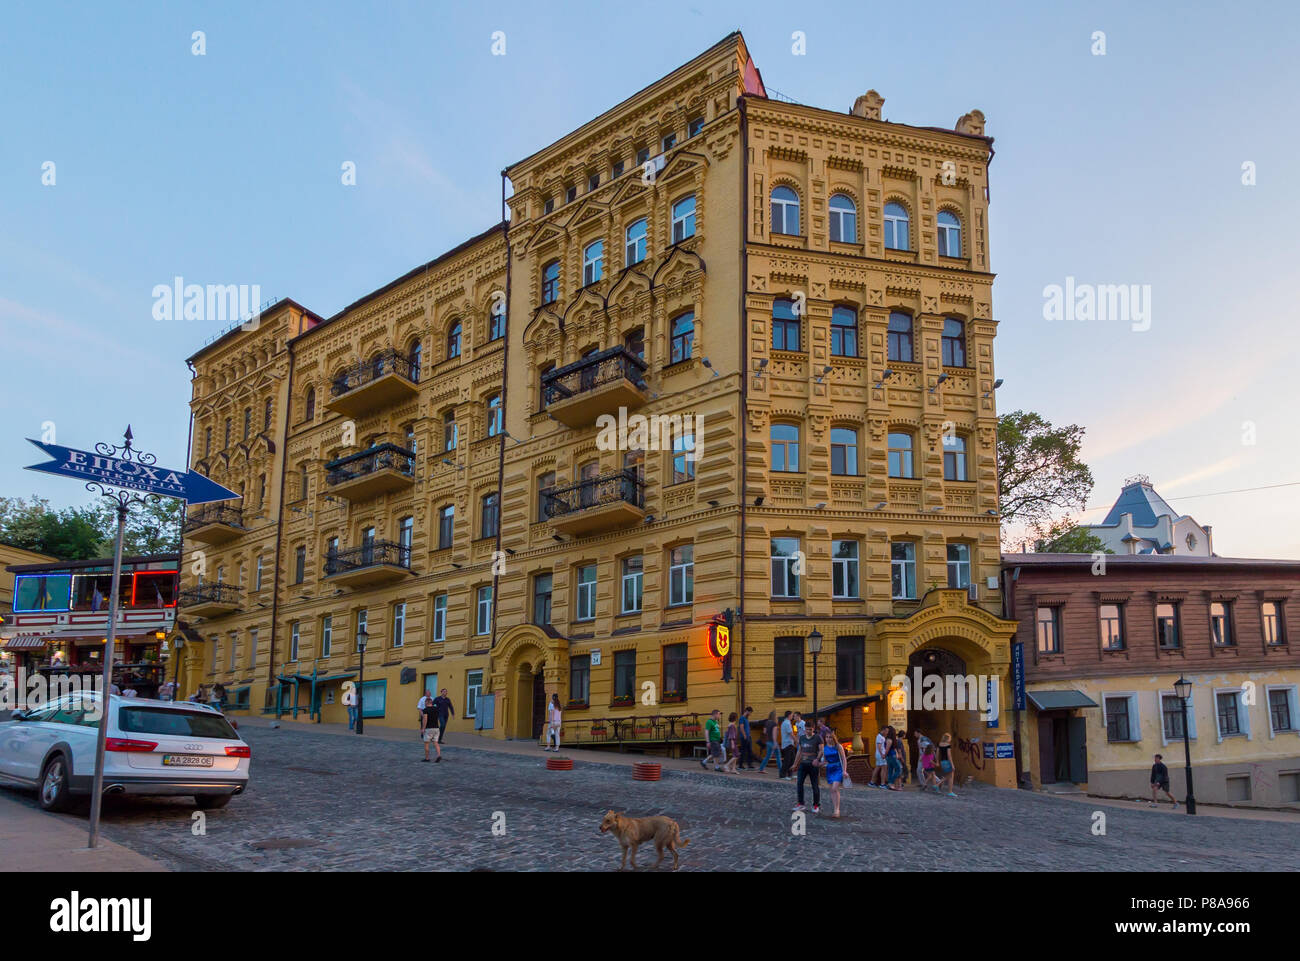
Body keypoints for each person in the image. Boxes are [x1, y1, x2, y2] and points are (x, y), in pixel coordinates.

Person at [792, 717, 824, 813]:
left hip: (813, 765)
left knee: (814, 785)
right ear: (804, 729)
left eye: (810, 729)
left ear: (813, 729)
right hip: (803, 764)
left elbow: (822, 750)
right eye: (807, 729)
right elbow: (799, 751)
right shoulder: (802, 738)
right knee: (799, 784)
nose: (808, 731)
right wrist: (795, 764)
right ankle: (801, 804)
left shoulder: (817, 737)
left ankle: (815, 805)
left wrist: (817, 759)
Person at [822, 724, 849, 817]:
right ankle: (835, 809)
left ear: (833, 738)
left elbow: (844, 759)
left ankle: (837, 809)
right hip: (830, 769)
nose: (828, 739)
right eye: (827, 737)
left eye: (830, 737)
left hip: (838, 768)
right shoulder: (824, 748)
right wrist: (821, 763)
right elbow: (825, 760)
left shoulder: (838, 746)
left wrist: (844, 771)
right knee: (832, 790)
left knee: (834, 788)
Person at [420, 692, 442, 762]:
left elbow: (425, 719)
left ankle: (427, 758)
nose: (425, 703)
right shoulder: (436, 709)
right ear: (431, 702)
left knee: (426, 743)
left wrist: (423, 728)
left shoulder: (425, 710)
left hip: (429, 728)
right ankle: (439, 755)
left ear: (427, 702)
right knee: (436, 743)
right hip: (436, 728)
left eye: (425, 702)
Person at [779, 711, 797, 780]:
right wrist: (796, 741)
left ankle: (790, 774)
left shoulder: (786, 722)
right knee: (787, 760)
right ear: (789, 715)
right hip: (788, 744)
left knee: (792, 759)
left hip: (789, 743)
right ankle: (782, 775)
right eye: (792, 715)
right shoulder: (787, 723)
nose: (792, 716)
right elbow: (791, 734)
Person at [884, 726, 903, 790]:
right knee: (899, 769)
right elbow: (887, 749)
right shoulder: (889, 740)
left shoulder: (889, 739)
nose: (887, 731)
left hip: (890, 756)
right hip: (892, 756)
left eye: (888, 730)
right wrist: (884, 755)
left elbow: (893, 748)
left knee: (890, 770)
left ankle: (890, 784)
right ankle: (891, 782)